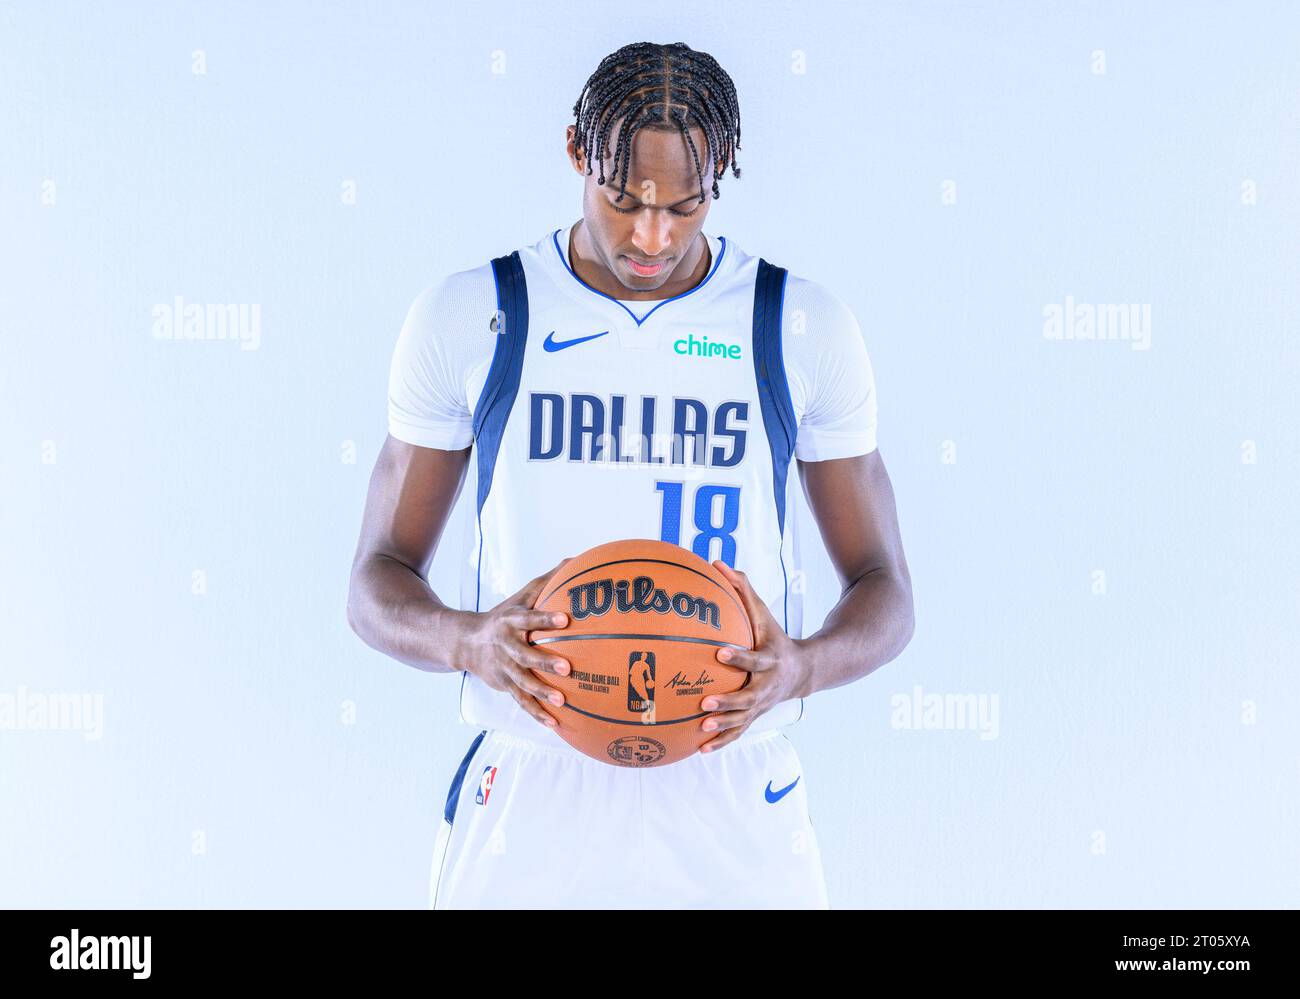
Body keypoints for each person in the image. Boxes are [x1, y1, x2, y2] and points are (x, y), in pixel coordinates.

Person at [347, 41, 915, 909]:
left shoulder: (796, 326)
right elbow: (373, 583)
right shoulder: (479, 316)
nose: (652, 236)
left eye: (684, 207)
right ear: (577, 151)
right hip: (536, 783)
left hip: (731, 778)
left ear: (720, 173)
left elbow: (887, 592)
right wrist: (469, 641)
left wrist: (801, 665)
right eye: (624, 201)